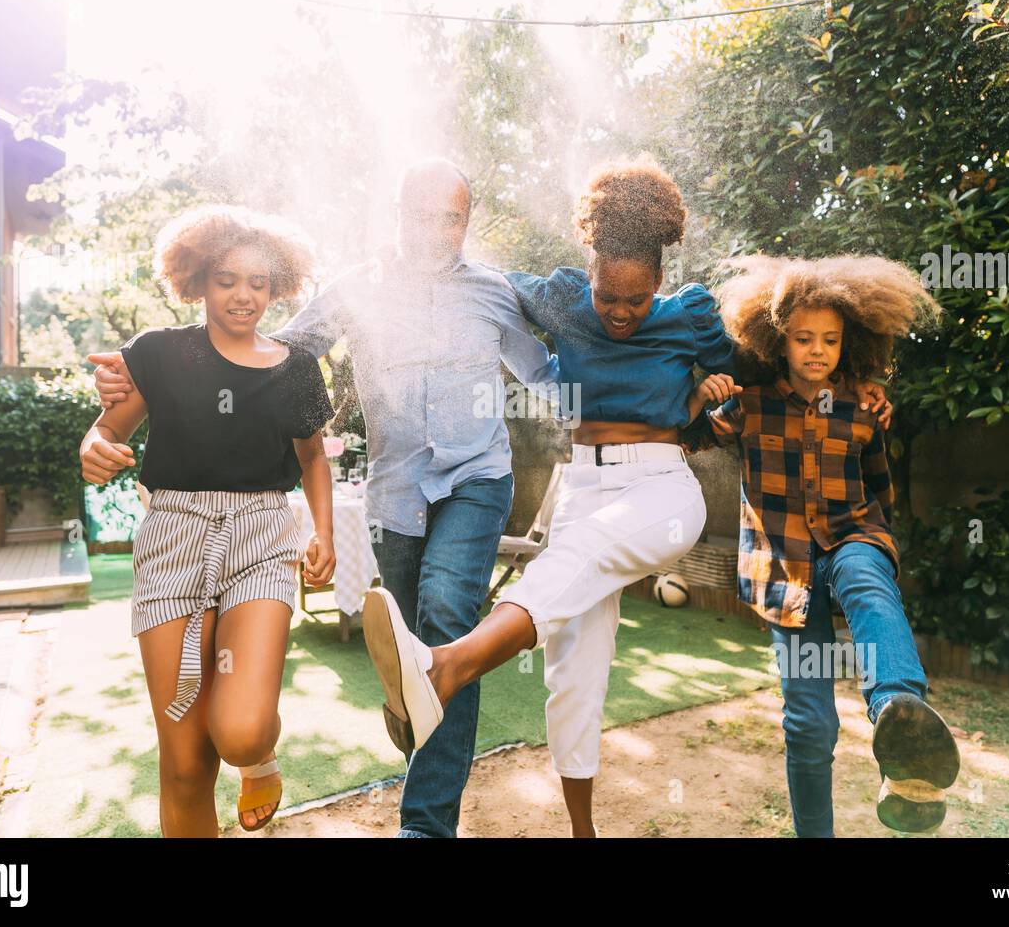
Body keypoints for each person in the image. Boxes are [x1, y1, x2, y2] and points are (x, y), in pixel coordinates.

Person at [359, 155, 894, 837]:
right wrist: (400, 266)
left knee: (578, 551)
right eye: (607, 296)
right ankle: (584, 831)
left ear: (659, 282)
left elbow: (775, 363)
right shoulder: (559, 298)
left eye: (636, 300)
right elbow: (475, 282)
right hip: (583, 484)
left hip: (661, 489)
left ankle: (447, 666)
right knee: (572, 675)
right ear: (588, 272)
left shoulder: (690, 314)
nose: (619, 313)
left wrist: (856, 381)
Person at [89, 158, 560, 839]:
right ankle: (410, 717)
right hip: (397, 492)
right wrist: (144, 376)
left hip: (476, 478)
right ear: (398, 214)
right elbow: (272, 349)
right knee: (412, 664)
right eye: (423, 215)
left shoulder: (495, 292)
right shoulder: (358, 289)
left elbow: (547, 374)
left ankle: (426, 826)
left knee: (446, 619)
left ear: (467, 220)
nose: (437, 230)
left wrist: (644, 404)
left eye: (451, 218)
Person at [79, 205, 336, 836]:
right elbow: (108, 428)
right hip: (174, 539)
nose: (243, 295)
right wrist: (94, 447)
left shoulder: (297, 367)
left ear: (278, 287)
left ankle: (258, 759)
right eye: (227, 280)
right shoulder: (160, 353)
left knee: (241, 732)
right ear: (197, 280)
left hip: (261, 538)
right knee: (186, 766)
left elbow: (312, 457)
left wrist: (323, 532)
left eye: (259, 282)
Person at [690, 252, 958, 836]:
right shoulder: (750, 404)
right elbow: (690, 437)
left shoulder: (861, 407)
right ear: (776, 342)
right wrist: (701, 394)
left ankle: (899, 715)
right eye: (803, 338)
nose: (817, 350)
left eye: (831, 340)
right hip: (782, 567)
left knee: (867, 581)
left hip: (852, 536)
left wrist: (875, 545)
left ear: (849, 344)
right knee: (809, 727)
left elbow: (880, 489)